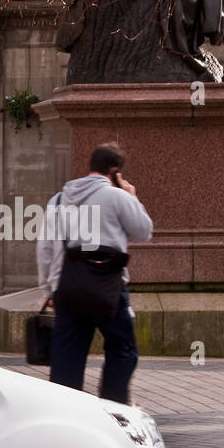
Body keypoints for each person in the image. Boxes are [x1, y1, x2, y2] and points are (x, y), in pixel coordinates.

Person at [37, 142, 152, 404]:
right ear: (114, 171)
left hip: (68, 288)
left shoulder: (58, 200)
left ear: (91, 166)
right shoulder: (119, 197)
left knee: (66, 357)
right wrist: (131, 196)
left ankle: (65, 413)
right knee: (123, 350)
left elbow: (44, 249)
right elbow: (144, 232)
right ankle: (113, 407)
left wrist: (49, 289)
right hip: (108, 291)